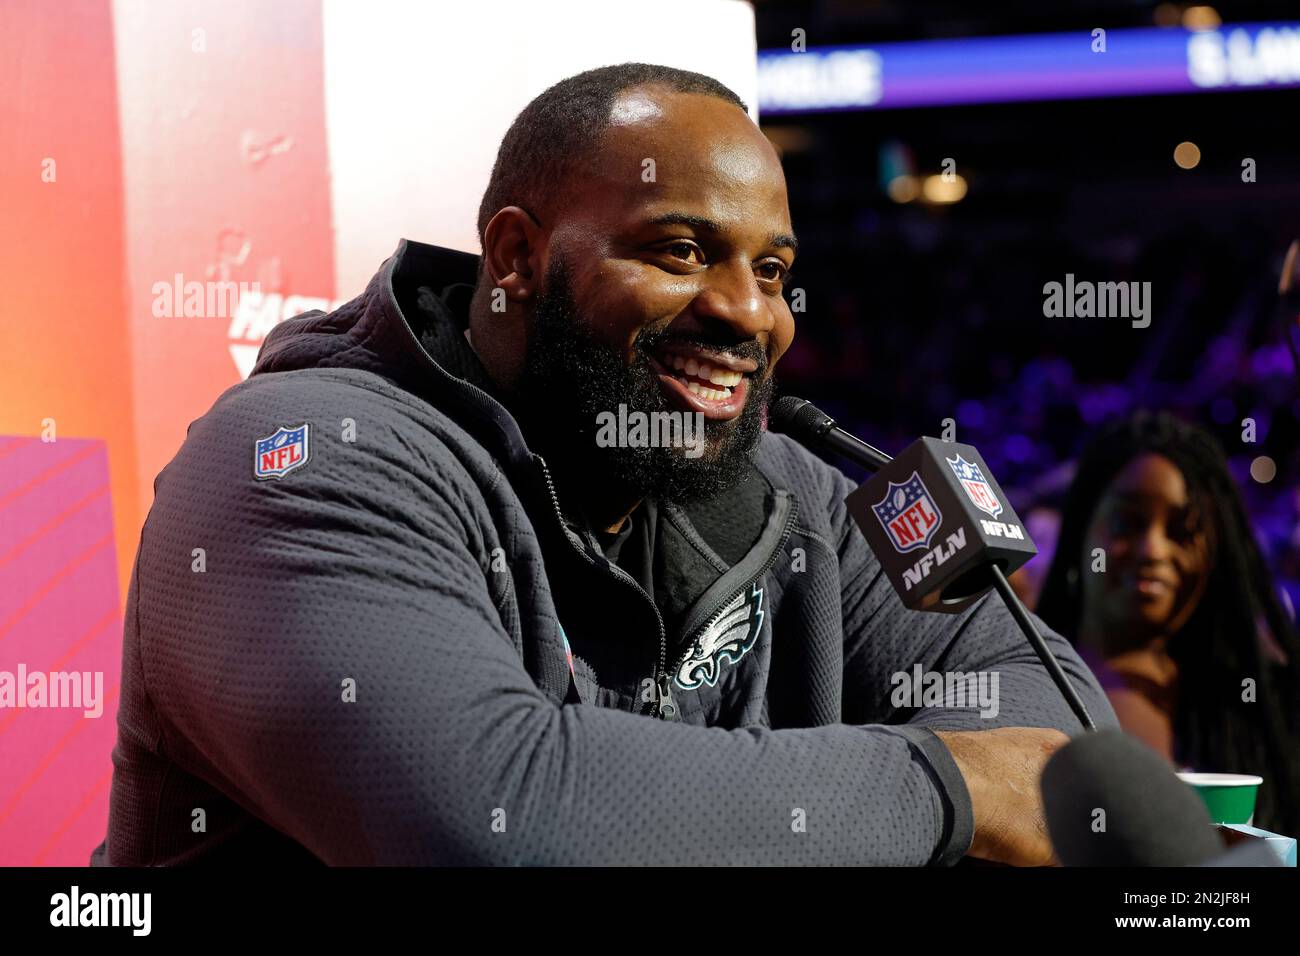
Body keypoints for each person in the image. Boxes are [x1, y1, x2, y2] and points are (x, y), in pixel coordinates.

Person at [91, 63, 1113, 867]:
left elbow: (1046, 712)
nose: (745, 311)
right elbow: (498, 820)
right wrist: (941, 789)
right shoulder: (299, 463)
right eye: (678, 251)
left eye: (771, 271)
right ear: (517, 257)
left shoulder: (795, 488)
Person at [1037, 410, 1300, 836]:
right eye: (1128, 522)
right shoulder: (1019, 680)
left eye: (1183, 530)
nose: (1152, 550)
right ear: (1083, 529)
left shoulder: (1261, 707)